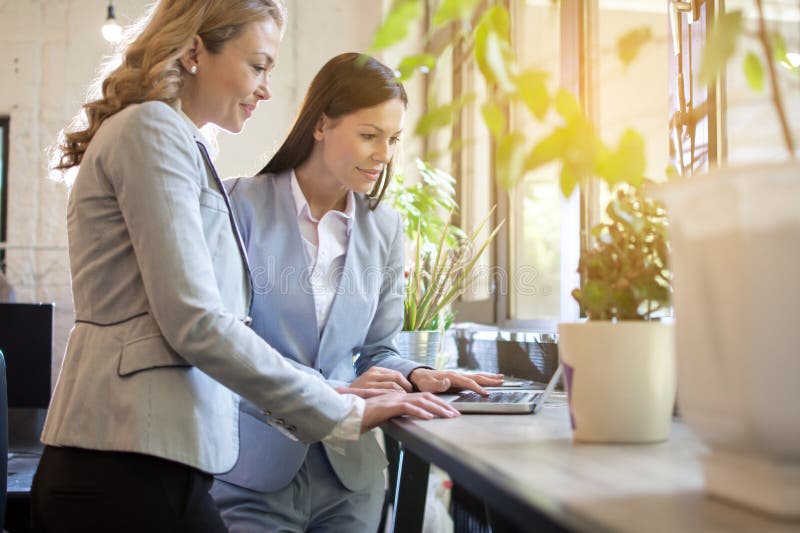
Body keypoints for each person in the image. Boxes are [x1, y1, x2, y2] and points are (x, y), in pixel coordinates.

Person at [31, 4, 458, 532]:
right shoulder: (153, 131)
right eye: (257, 66)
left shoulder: (181, 140)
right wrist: (336, 407)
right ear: (194, 52)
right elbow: (198, 322)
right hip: (125, 457)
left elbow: (220, 324)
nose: (266, 88)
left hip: (161, 459)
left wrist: (348, 389)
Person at [211, 52, 503, 533]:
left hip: (350, 480)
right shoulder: (237, 206)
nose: (384, 154)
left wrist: (418, 374)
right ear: (322, 124)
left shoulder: (384, 227)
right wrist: (328, 390)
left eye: (392, 139)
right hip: (253, 471)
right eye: (369, 135)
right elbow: (221, 345)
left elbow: (376, 351)